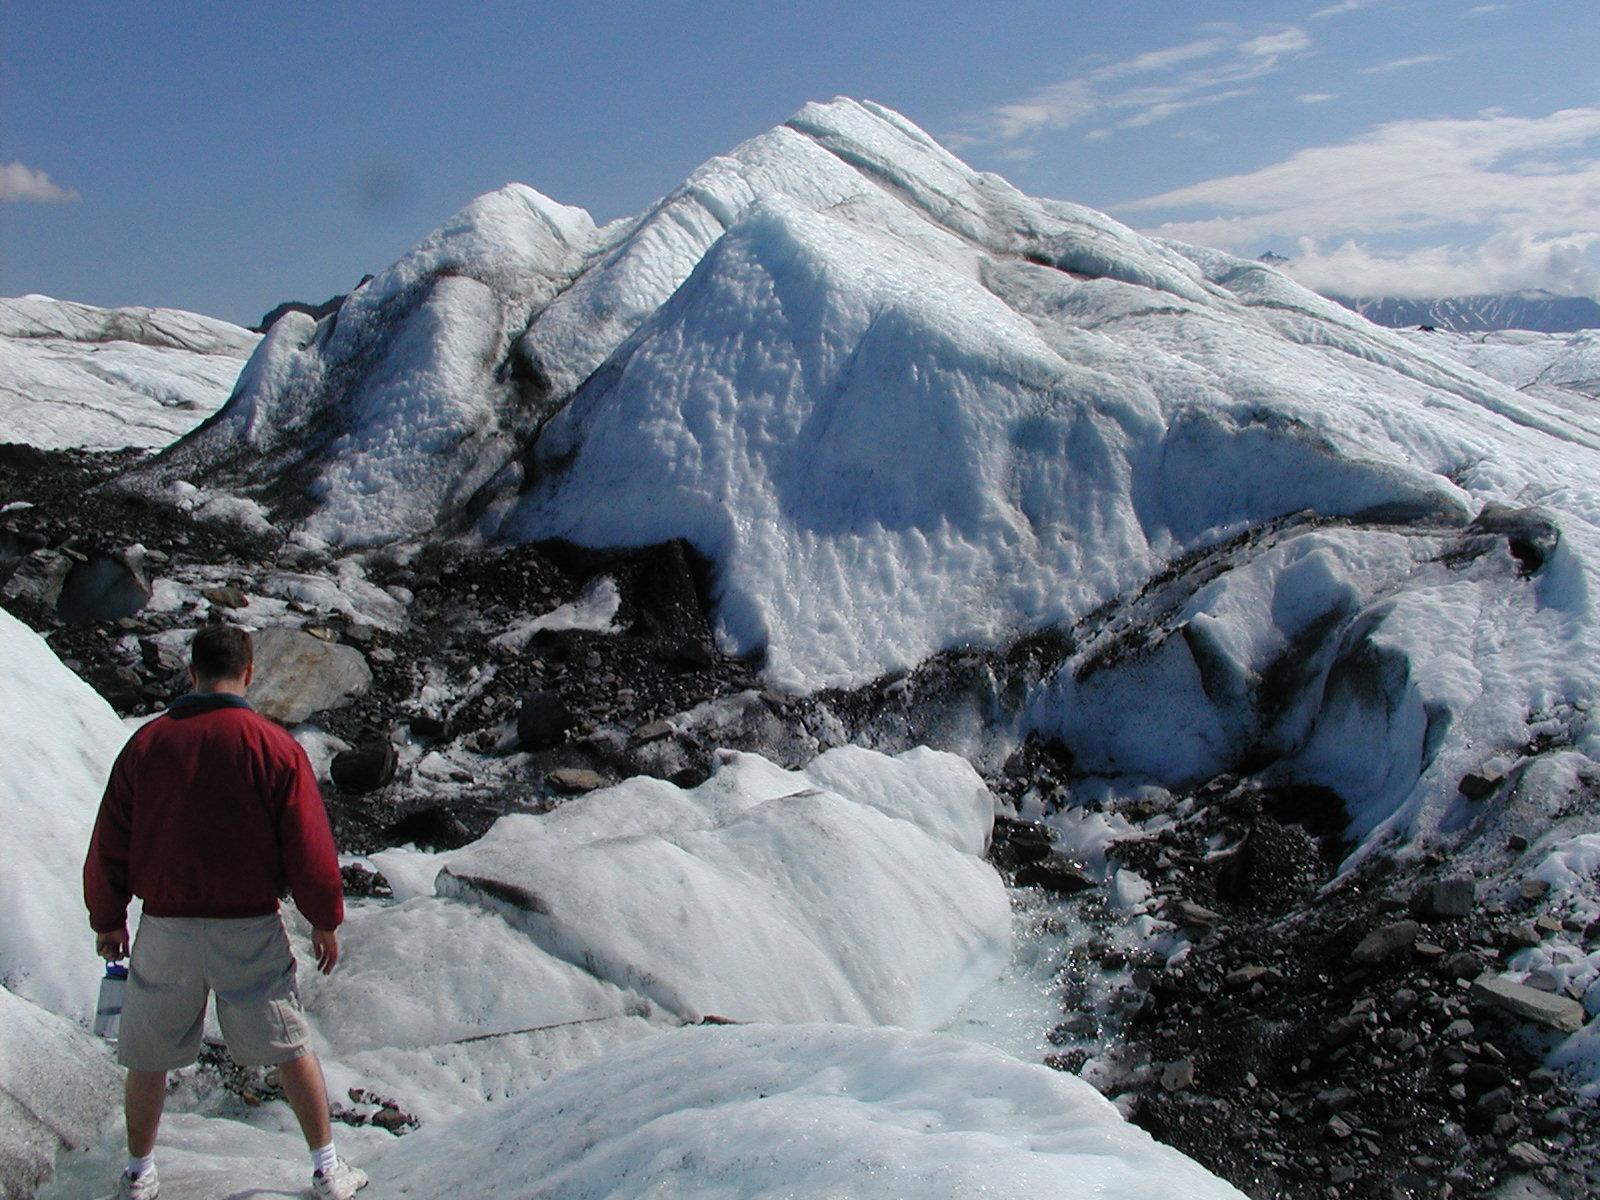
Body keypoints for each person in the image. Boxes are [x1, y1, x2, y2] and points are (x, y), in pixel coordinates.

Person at [83, 624, 368, 1200]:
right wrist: (324, 918)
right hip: (248, 925)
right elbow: (308, 843)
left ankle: (139, 1174)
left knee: (149, 1057)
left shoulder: (147, 744)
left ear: (191, 674)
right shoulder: (275, 746)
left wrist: (107, 918)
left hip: (165, 924)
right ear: (249, 674)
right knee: (290, 1046)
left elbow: (111, 838)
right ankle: (328, 1168)